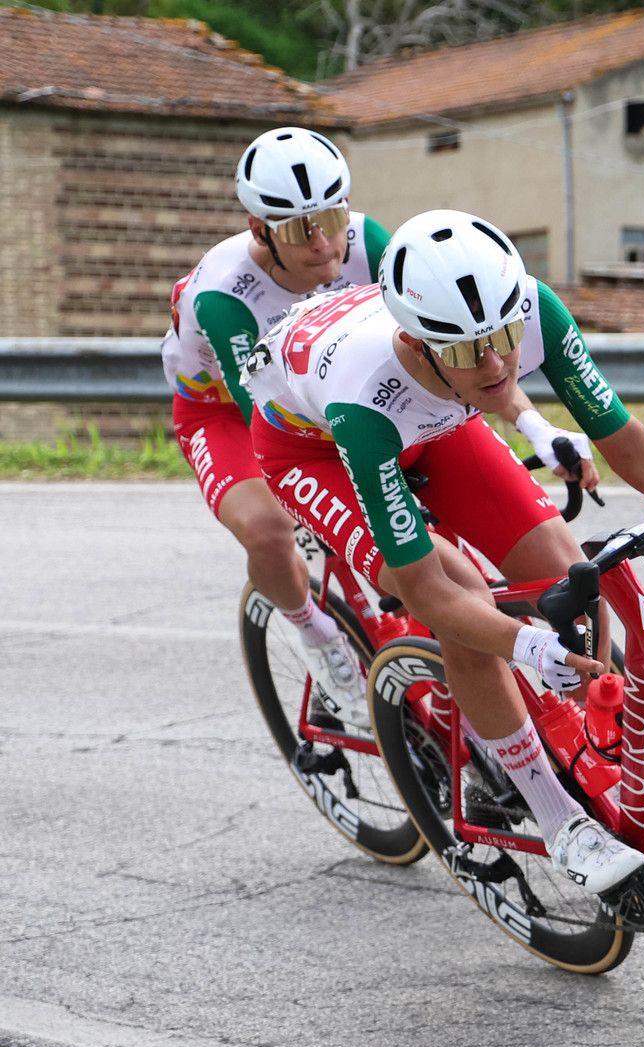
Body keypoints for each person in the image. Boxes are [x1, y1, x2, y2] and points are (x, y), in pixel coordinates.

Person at [244, 209, 644, 893]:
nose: (496, 363)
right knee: (461, 599)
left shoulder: (533, 308)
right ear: (418, 345)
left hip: (437, 416)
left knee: (568, 571)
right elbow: (427, 593)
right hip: (312, 449)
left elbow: (626, 443)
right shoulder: (366, 397)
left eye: (504, 337)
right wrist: (528, 647)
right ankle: (556, 817)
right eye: (464, 349)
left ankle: (589, 748)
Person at [162, 126, 391, 723]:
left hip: (327, 384)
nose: (322, 243)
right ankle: (314, 632)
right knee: (267, 529)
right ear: (259, 229)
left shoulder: (366, 242)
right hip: (224, 409)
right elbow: (259, 413)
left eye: (333, 216)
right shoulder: (223, 292)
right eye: (297, 229)